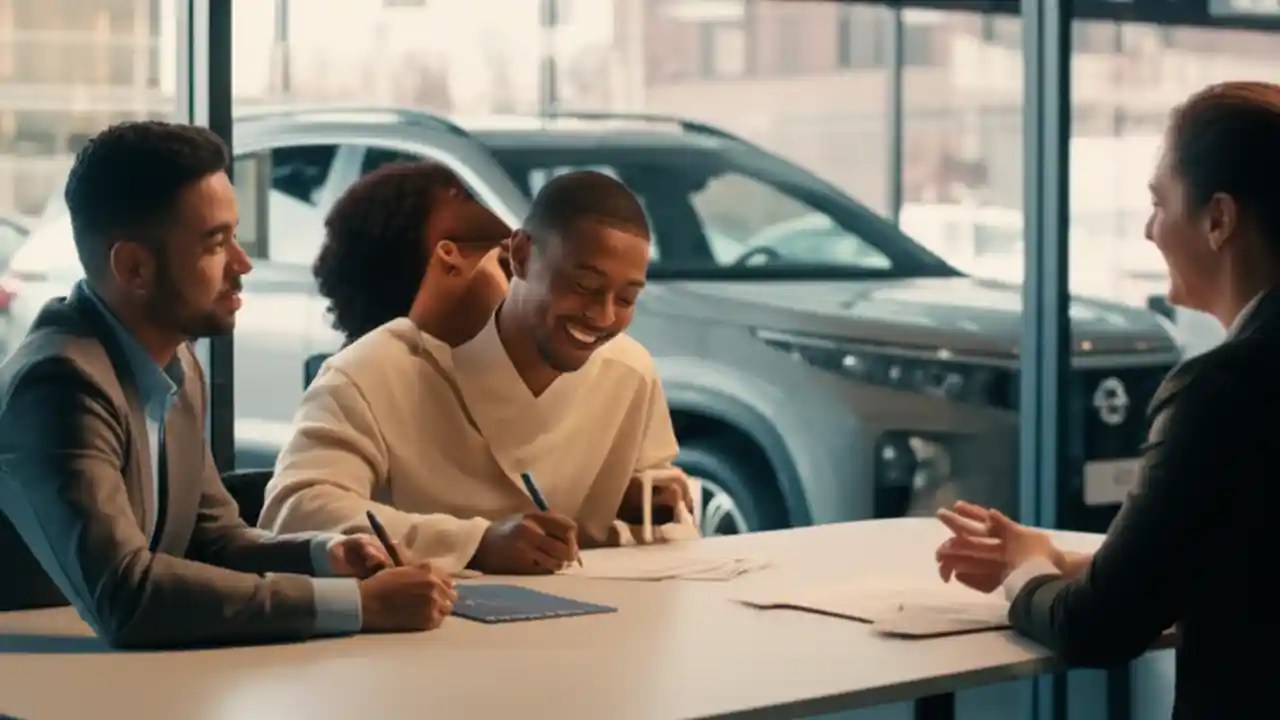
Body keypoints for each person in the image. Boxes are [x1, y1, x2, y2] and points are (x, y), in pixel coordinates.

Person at [0, 121, 455, 648]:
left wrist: (325, 554)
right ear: (134, 267)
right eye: (216, 243)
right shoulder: (59, 384)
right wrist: (359, 606)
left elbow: (212, 539)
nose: (241, 265)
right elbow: (126, 594)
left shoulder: (178, 365)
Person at [934, 81, 1280, 716]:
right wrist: (1055, 558)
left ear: (1218, 219)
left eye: (1158, 202)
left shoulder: (1222, 391)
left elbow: (1099, 625)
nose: (1150, 230)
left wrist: (1025, 576)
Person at [259, 170, 695, 575]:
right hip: (411, 640)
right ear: (520, 256)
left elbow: (663, 519)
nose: (602, 316)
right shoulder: (372, 372)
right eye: (584, 286)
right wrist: (475, 542)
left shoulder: (630, 372)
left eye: (626, 299)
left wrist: (654, 505)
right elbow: (294, 511)